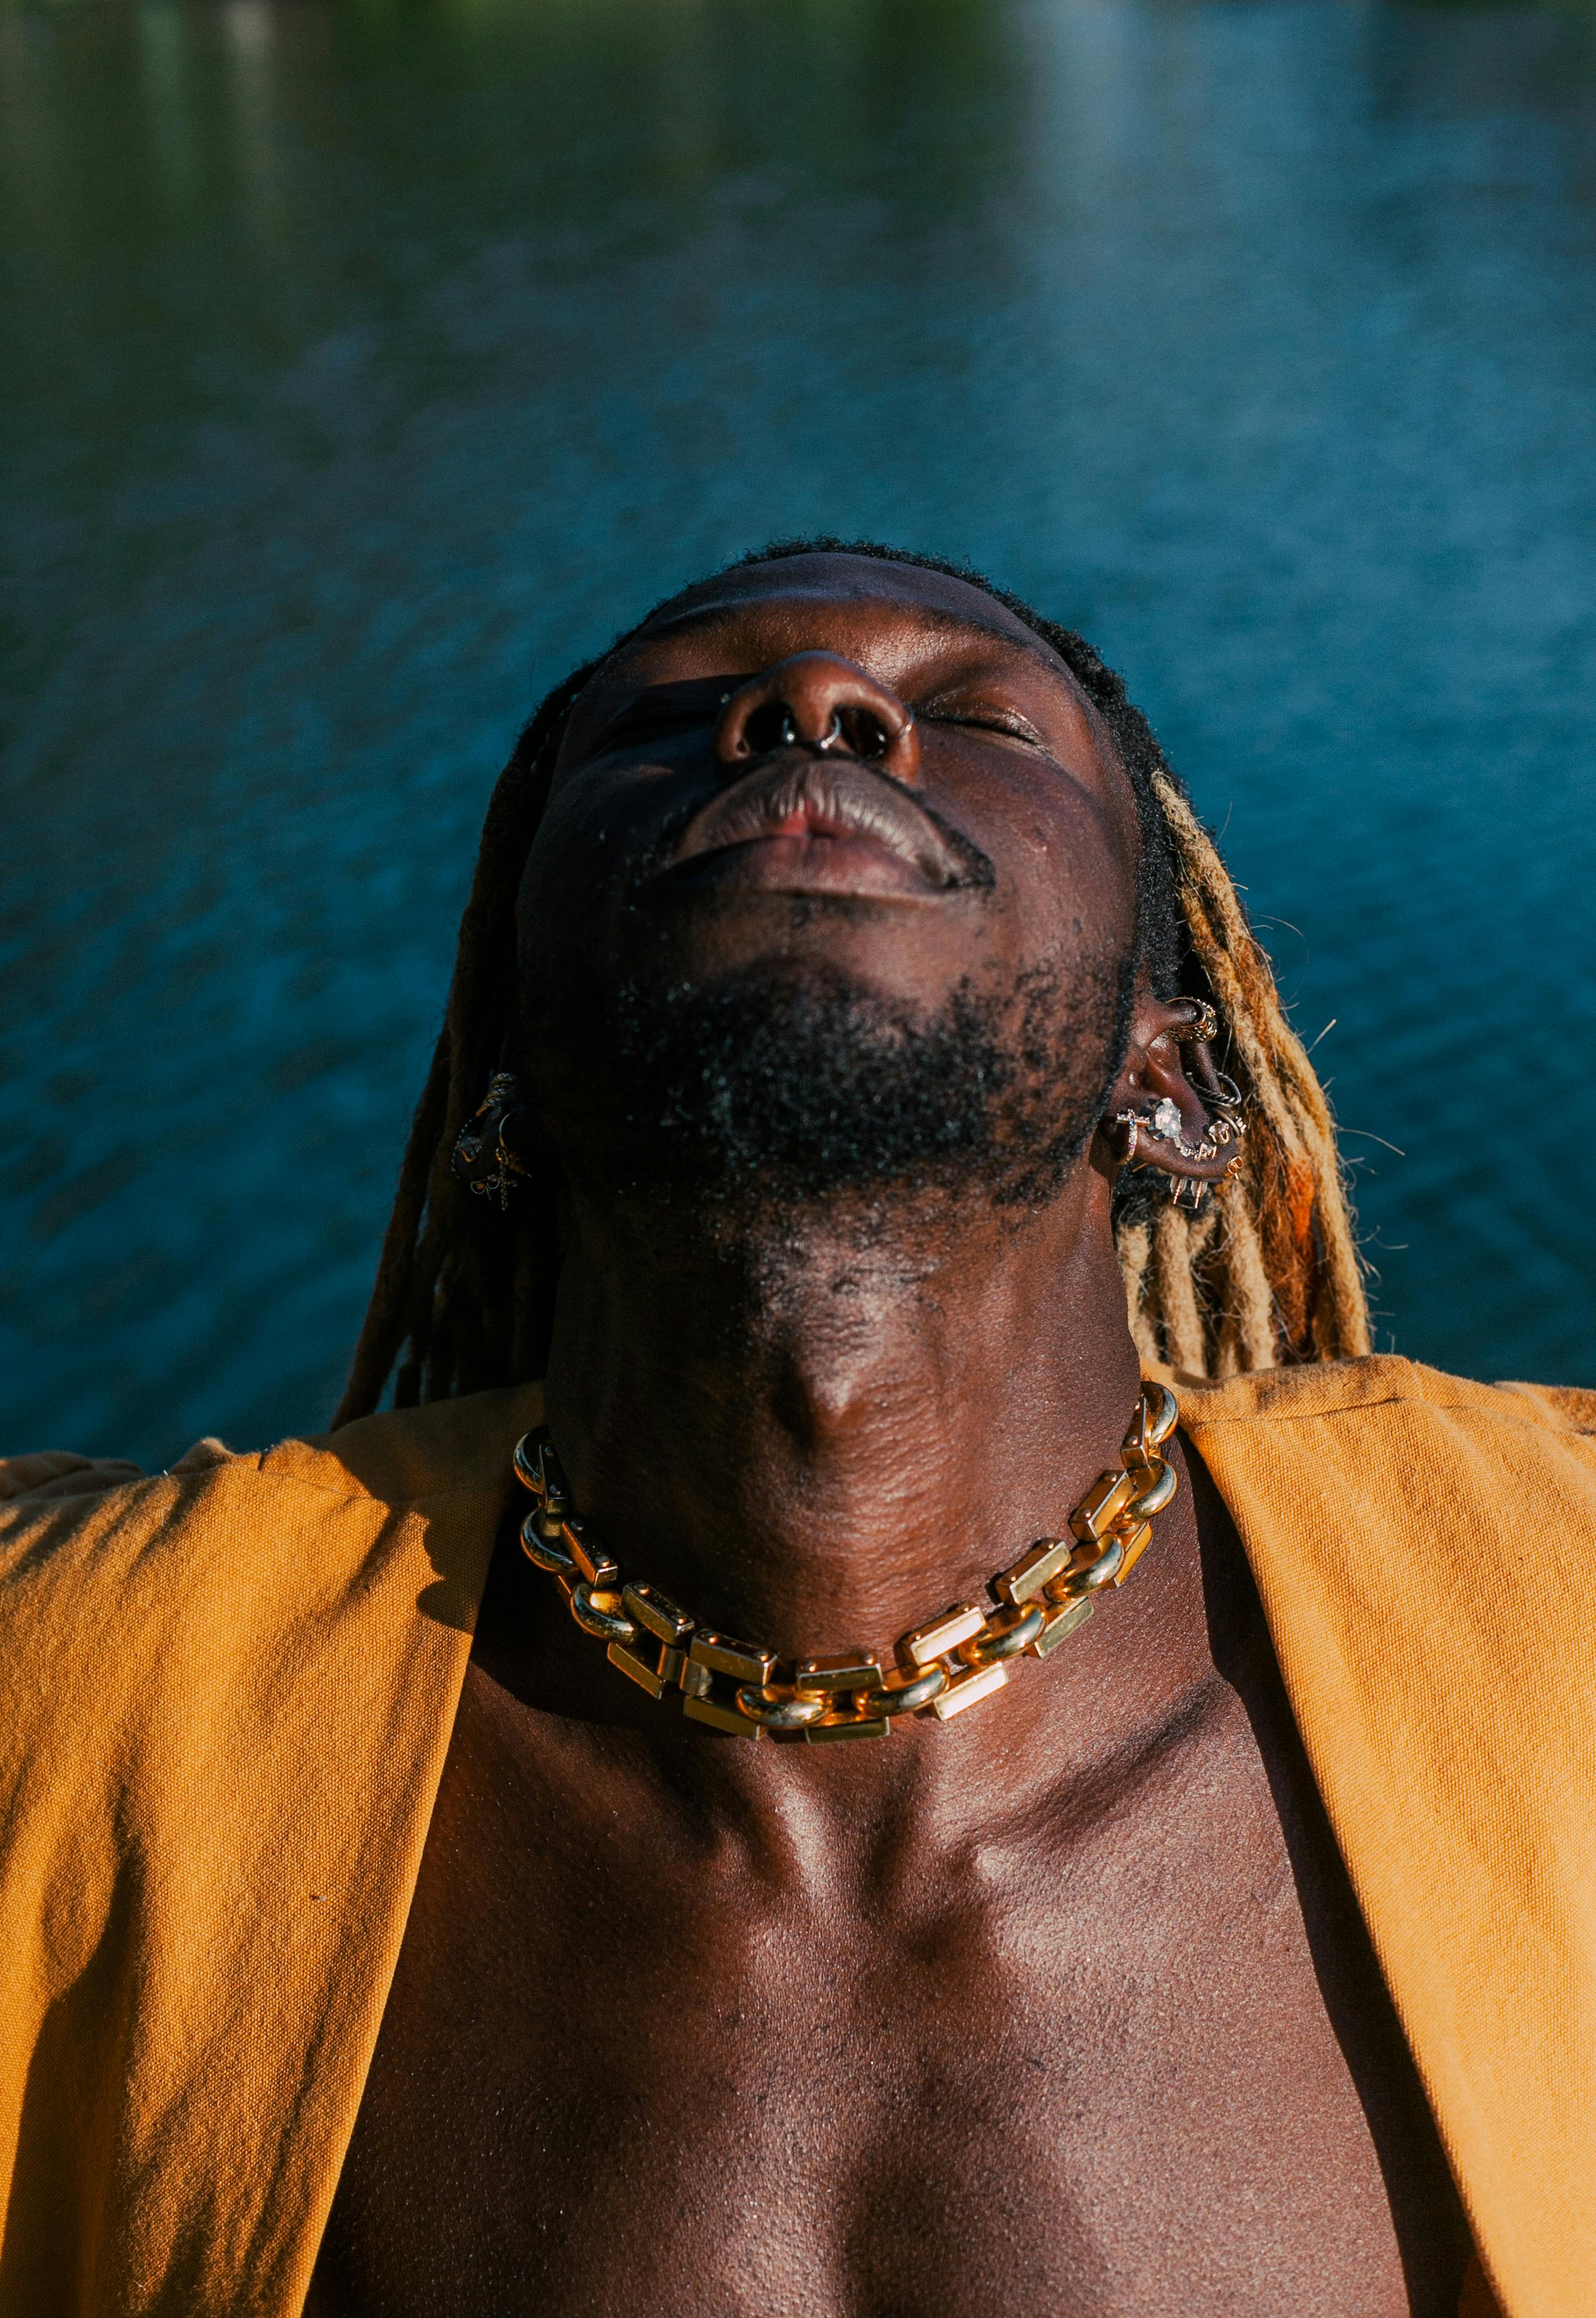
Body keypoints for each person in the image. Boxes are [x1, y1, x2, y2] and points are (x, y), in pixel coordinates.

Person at [1, 544, 1588, 2318]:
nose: (811, 713)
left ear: (1170, 1081)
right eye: (670, 720)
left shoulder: (1559, 1603)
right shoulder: (69, 1703)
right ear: (500, 1075)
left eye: (978, 715)